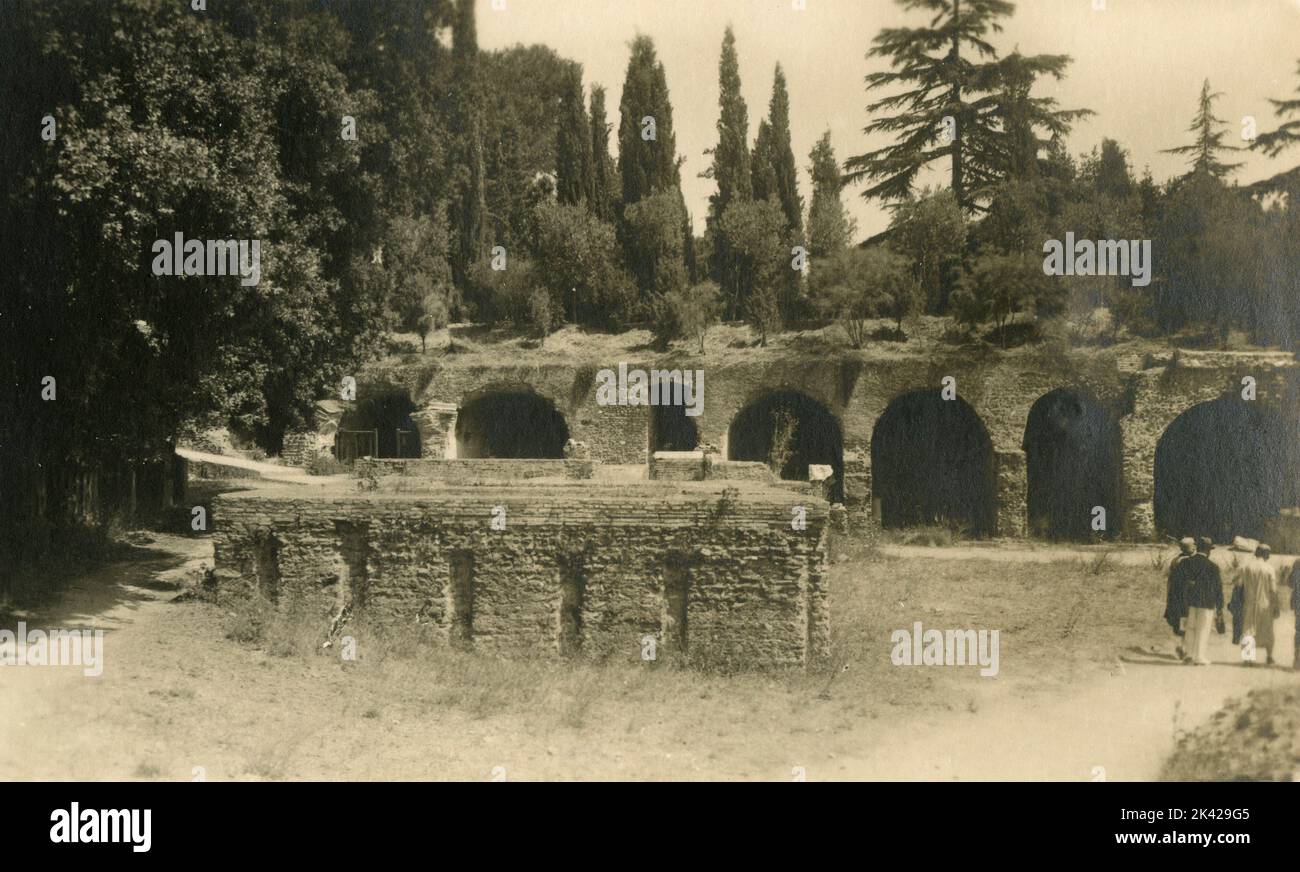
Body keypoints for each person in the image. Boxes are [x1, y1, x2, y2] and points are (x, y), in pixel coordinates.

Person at [1233, 544, 1280, 666]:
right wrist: (1276, 606)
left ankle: (1248, 658)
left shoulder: (1246, 567)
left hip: (1248, 602)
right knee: (1268, 630)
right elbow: (1273, 590)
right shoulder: (1269, 569)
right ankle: (1269, 656)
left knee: (1248, 629)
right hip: (1265, 604)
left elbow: (1238, 585)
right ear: (1266, 555)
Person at [1181, 537, 1224, 665]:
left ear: (1197, 548)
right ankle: (1199, 656)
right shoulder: (1213, 567)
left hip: (1189, 601)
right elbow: (1218, 589)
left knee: (1190, 627)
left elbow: (1180, 584)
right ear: (1208, 550)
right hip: (1207, 602)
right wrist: (1220, 606)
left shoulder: (1185, 563)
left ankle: (1188, 655)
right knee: (1203, 629)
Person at [1164, 538, 1194, 658]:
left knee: (1180, 623)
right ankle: (1184, 649)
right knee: (1186, 623)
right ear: (1190, 547)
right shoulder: (1189, 561)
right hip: (1186, 596)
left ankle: (1182, 648)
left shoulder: (1175, 560)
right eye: (1192, 545)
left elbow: (1170, 579)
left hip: (1175, 595)